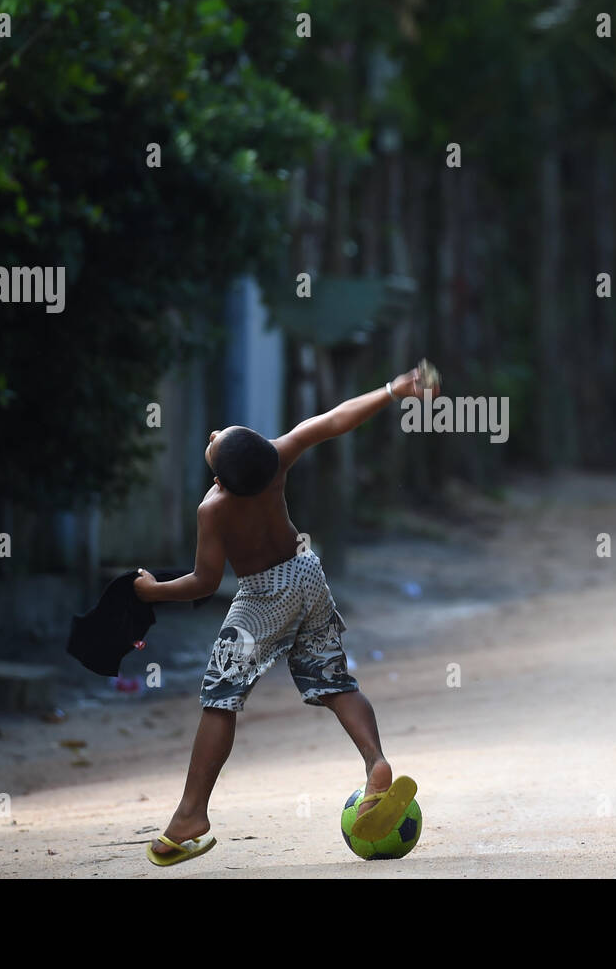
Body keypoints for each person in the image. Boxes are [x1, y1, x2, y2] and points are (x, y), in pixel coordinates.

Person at [134, 364, 435, 866]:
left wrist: (152, 591)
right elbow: (336, 419)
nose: (213, 433)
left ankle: (191, 813)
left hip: (262, 597)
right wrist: (391, 389)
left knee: (219, 698)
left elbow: (205, 582)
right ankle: (376, 763)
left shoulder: (214, 508)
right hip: (306, 574)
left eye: (216, 439)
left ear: (217, 476)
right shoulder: (277, 460)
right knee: (335, 683)